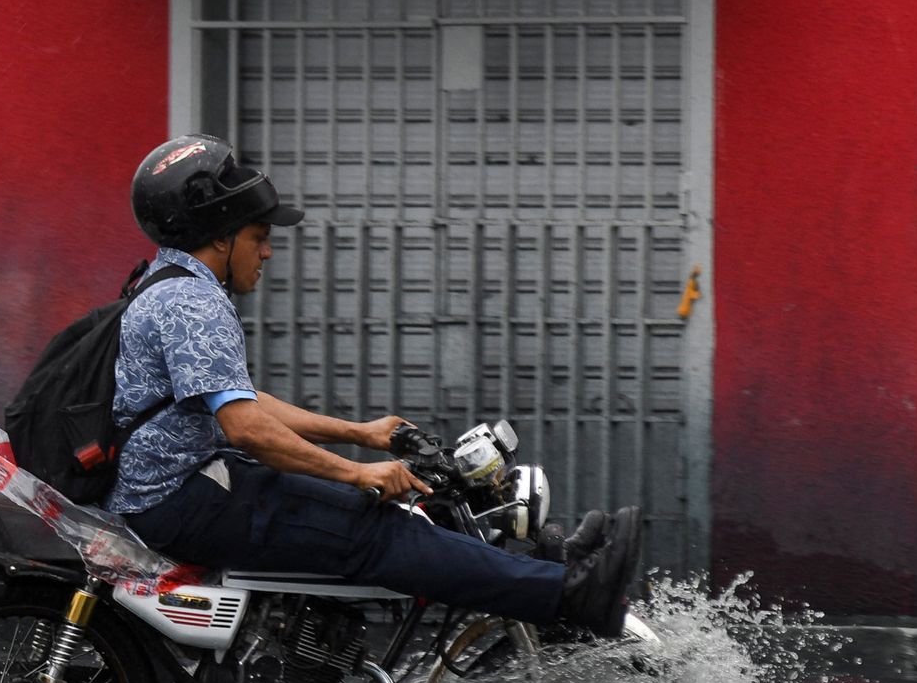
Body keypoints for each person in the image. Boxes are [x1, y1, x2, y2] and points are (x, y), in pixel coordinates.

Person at [109, 134, 641, 638]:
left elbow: (243, 400)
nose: (267, 253)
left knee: (374, 517)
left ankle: (548, 579)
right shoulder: (193, 303)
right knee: (376, 529)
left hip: (191, 487)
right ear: (218, 236)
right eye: (259, 237)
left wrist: (360, 433)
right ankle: (570, 596)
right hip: (183, 499)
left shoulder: (168, 287)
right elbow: (246, 428)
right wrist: (357, 473)